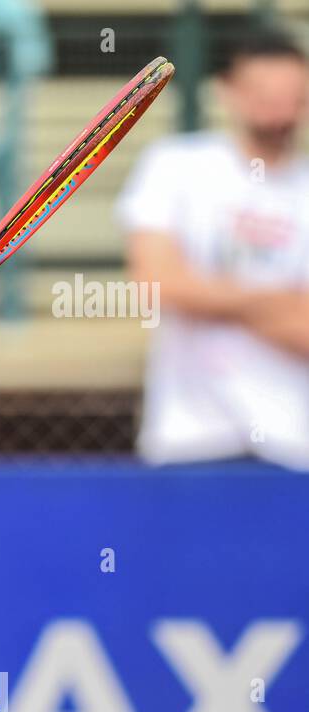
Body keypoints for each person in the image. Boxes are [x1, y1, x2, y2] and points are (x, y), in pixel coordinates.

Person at [116, 28, 309, 470]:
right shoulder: (175, 165)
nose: (279, 110)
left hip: (295, 447)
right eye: (264, 94)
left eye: (292, 96)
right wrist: (283, 300)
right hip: (188, 439)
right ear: (228, 91)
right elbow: (158, 283)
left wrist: (207, 295)